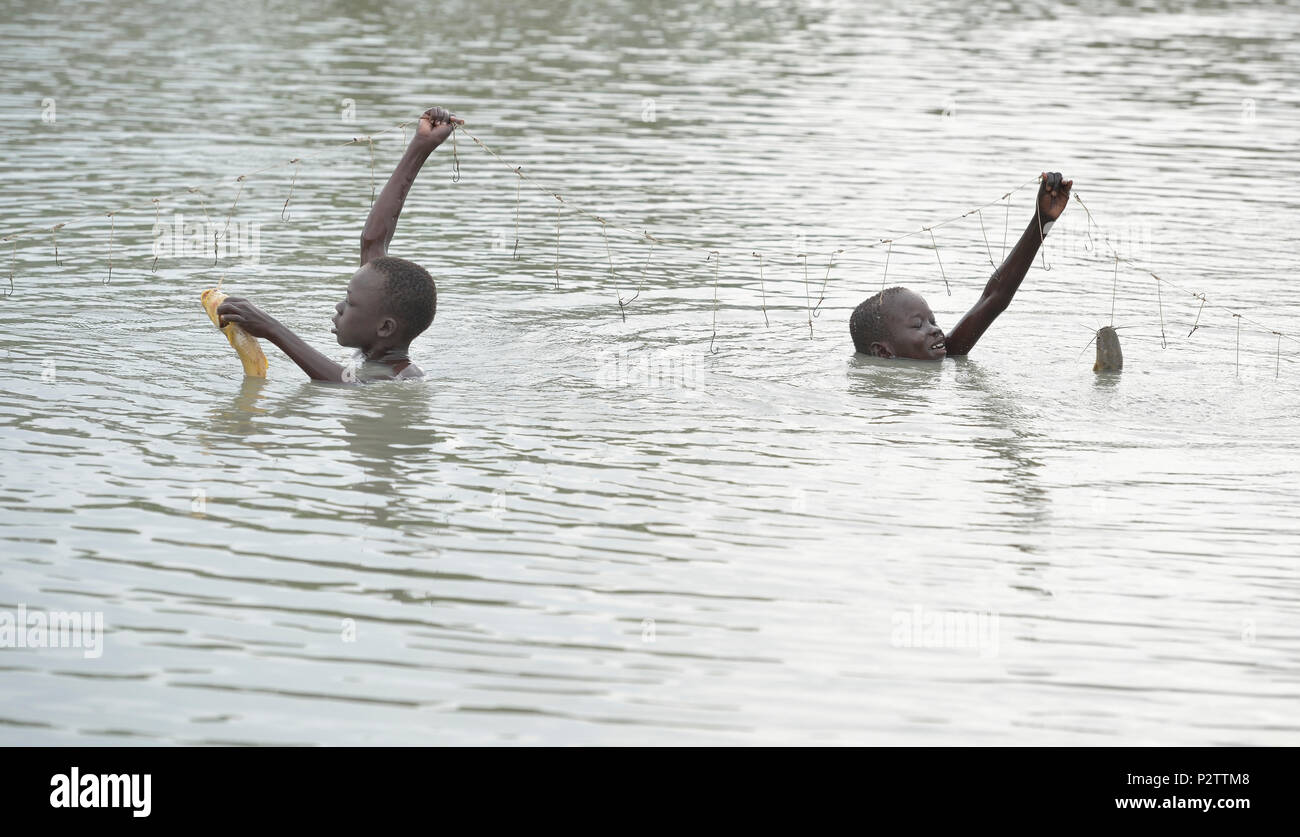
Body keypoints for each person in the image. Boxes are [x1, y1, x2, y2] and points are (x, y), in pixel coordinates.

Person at [214, 106, 462, 382]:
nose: (338, 307)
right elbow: (373, 240)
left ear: (385, 328)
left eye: (350, 302)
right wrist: (421, 147)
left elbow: (341, 383)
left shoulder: (399, 378)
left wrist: (270, 327)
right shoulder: (372, 352)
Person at [849, 172, 1072, 359]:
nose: (935, 330)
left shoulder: (950, 354)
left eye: (932, 321)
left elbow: (994, 298)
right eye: (918, 325)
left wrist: (1042, 220)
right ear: (883, 353)